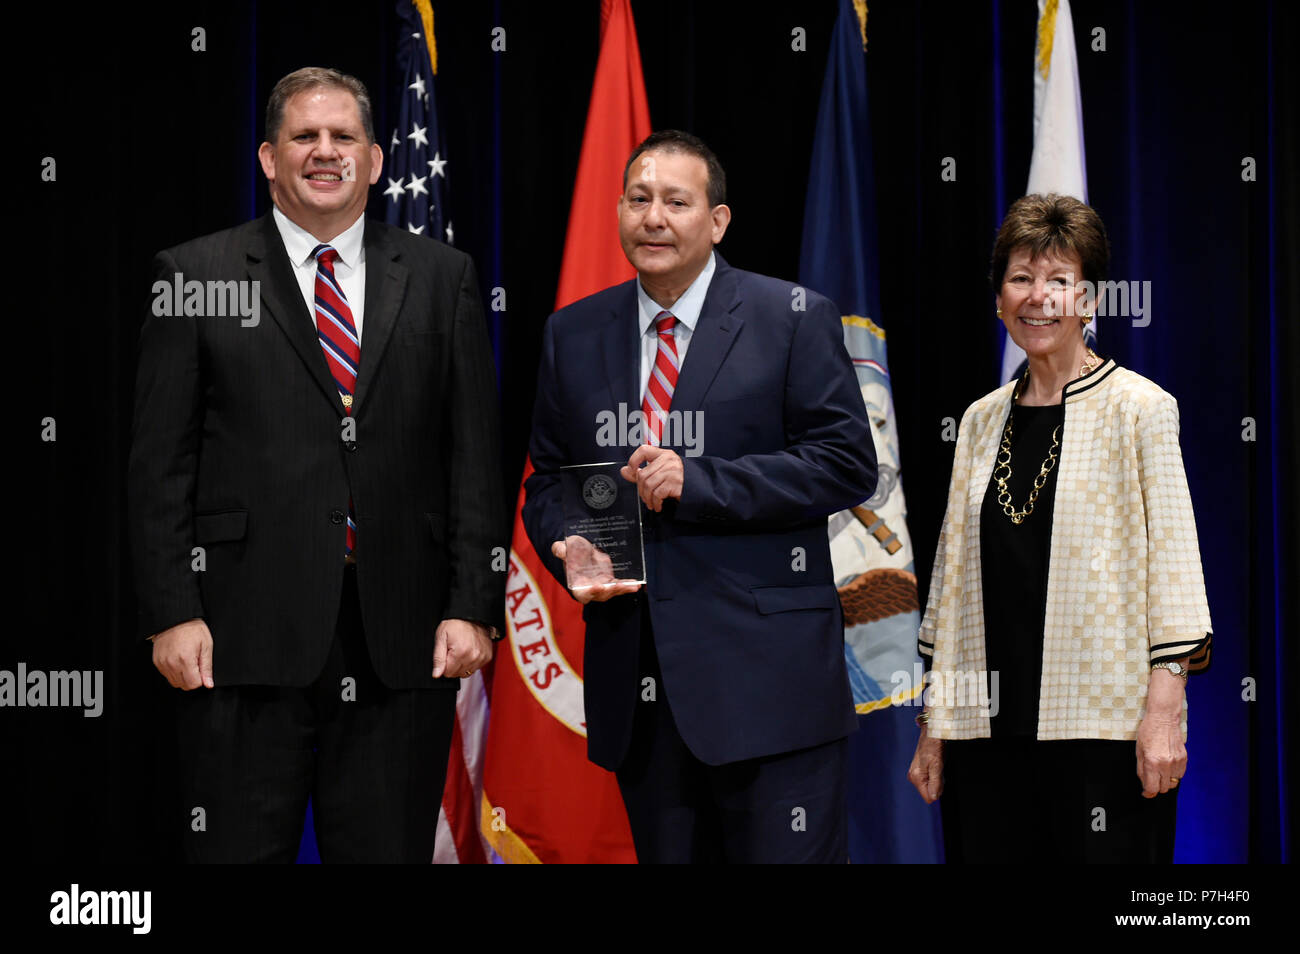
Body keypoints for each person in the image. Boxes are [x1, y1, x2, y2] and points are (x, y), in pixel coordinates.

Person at [128, 67, 506, 862]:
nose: (324, 152)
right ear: (269, 158)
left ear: (374, 159)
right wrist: (171, 610)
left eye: (344, 138)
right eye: (305, 137)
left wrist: (473, 604)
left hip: (401, 640)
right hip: (235, 638)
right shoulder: (195, 275)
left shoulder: (444, 278)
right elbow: (160, 464)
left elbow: (473, 456)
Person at [522, 130, 877, 863]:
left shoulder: (792, 318)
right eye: (639, 199)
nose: (654, 217)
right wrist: (568, 545)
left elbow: (846, 465)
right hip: (642, 695)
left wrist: (702, 481)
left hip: (771, 693)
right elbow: (548, 480)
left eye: (676, 202)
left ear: (716, 221)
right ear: (618, 211)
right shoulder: (573, 331)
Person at [907, 193, 1212, 863]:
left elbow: (1177, 569)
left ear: (1090, 299)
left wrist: (1163, 714)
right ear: (998, 298)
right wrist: (936, 726)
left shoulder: (1142, 409)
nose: (1038, 297)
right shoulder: (980, 420)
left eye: (1059, 280)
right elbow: (953, 587)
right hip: (985, 735)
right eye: (1020, 277)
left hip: (1105, 729)